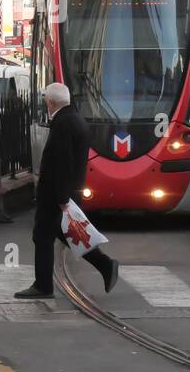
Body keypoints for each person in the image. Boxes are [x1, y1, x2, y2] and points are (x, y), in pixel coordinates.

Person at [16, 82, 119, 300]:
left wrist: (62, 198)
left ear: (50, 102)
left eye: (46, 102)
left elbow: (63, 163)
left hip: (57, 194)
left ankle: (43, 286)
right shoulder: (75, 118)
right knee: (69, 234)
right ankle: (105, 265)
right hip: (66, 191)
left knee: (42, 236)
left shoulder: (63, 123)